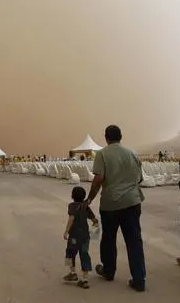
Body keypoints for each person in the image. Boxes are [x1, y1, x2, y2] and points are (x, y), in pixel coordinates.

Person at [84, 125, 146, 292]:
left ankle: (109, 271)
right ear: (121, 136)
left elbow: (99, 178)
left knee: (109, 238)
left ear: (106, 138)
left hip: (111, 205)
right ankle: (139, 279)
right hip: (133, 203)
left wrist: (89, 198)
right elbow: (139, 179)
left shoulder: (102, 154)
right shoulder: (132, 154)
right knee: (134, 240)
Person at [63, 186, 99, 288]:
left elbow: (71, 218)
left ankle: (73, 273)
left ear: (72, 196)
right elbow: (94, 220)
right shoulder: (85, 206)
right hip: (85, 237)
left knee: (70, 253)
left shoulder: (72, 206)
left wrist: (66, 231)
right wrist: (95, 226)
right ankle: (85, 279)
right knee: (84, 255)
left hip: (74, 236)